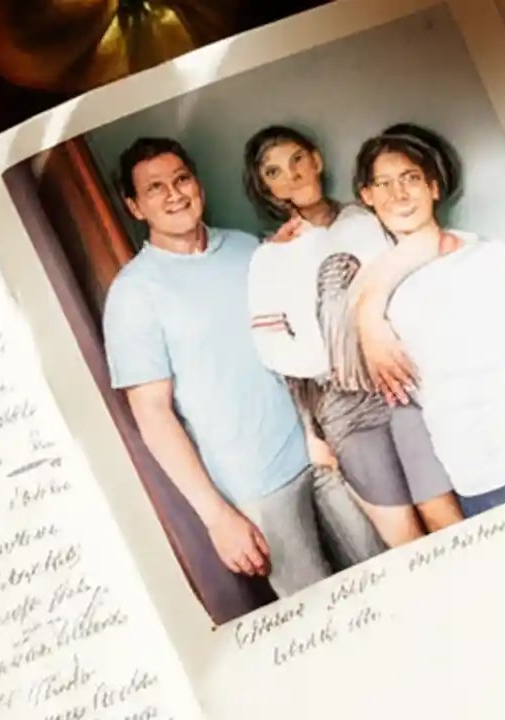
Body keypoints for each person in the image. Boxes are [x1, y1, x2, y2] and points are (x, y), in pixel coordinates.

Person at [100, 137, 381, 597]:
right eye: (155, 188)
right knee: (322, 615)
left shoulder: (247, 247)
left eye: (181, 179)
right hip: (256, 490)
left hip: (322, 450)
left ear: (199, 185)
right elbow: (152, 414)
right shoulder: (133, 294)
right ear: (135, 207)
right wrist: (216, 516)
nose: (174, 194)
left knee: (387, 570)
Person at [351, 127, 505, 517]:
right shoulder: (371, 288)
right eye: (383, 184)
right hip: (481, 471)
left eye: (411, 179)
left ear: (434, 187)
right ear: (367, 197)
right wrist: (369, 317)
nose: (398, 194)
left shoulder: (496, 253)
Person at [242, 124, 463, 548]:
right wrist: (338, 362)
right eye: (274, 172)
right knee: (404, 541)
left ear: (317, 160)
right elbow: (274, 352)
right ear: (265, 189)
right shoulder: (270, 258)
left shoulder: (365, 220)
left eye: (297, 160)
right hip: (341, 406)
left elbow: (408, 281)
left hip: (400, 384)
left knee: (446, 517)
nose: (292, 175)